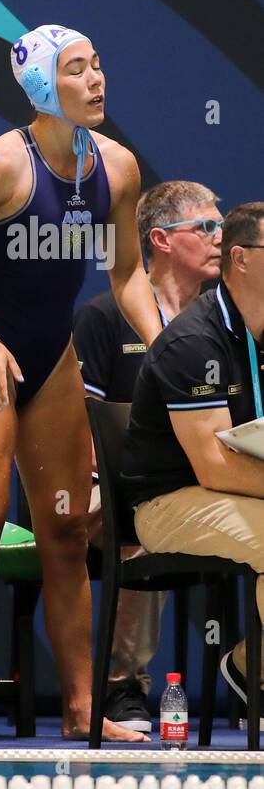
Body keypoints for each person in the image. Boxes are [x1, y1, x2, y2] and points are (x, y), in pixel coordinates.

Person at [0, 25, 162, 744]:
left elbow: (126, 275)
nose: (97, 80)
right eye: (78, 70)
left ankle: (84, 710)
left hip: (52, 362)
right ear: (40, 87)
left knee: (64, 531)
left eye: (98, 66)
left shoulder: (117, 167)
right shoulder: (0, 165)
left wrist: (163, 342)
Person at [75, 181, 222, 731]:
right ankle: (123, 688)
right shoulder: (103, 317)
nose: (218, 239)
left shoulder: (222, 325)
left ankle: (248, 672)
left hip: (201, 481)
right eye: (204, 228)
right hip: (105, 487)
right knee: (136, 521)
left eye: (221, 226)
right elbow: (78, 431)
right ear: (160, 239)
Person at [122, 203, 264, 724]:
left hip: (240, 492)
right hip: (170, 501)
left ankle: (252, 667)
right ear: (242, 259)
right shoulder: (193, 341)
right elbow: (213, 468)